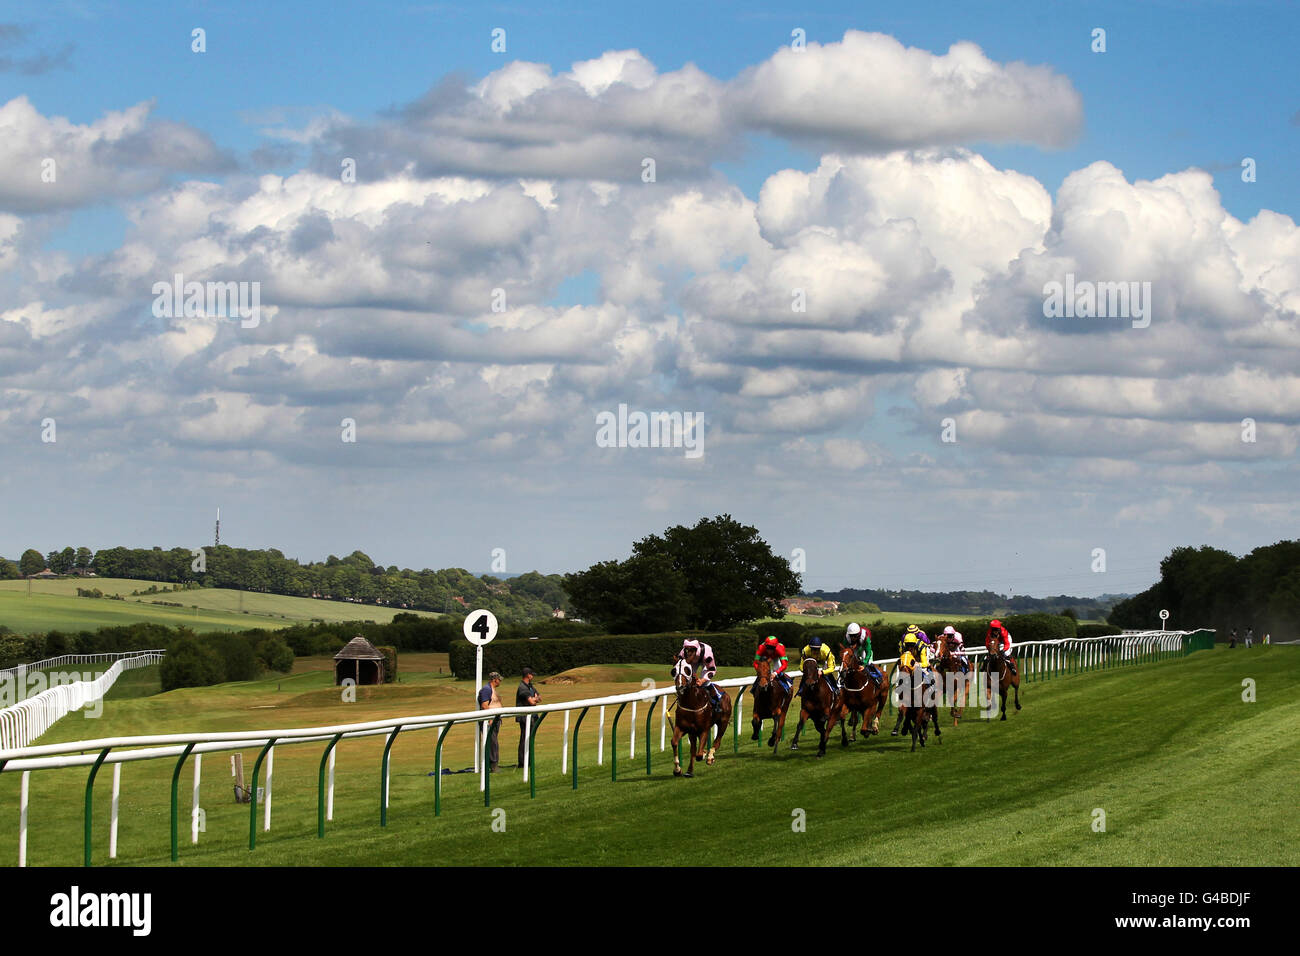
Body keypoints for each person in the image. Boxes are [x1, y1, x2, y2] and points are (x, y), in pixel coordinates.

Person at [677, 638, 724, 714]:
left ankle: (717, 702)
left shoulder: (707, 654)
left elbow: (711, 669)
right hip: (692, 661)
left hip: (705, 662)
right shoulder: (682, 653)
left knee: (706, 683)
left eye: (691, 650)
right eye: (686, 650)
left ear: (696, 649)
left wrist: (702, 680)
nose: (688, 653)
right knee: (688, 681)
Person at [476, 671, 505, 772]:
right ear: (494, 679)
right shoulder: (486, 690)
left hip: (494, 720)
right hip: (489, 721)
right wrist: (490, 719)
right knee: (492, 742)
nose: (500, 681)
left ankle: (494, 763)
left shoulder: (492, 689)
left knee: (494, 742)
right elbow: (484, 705)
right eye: (499, 679)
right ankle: (493, 765)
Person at [515, 667, 541, 768]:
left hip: (532, 716)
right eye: (532, 674)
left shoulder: (530, 686)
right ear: (528, 675)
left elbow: (539, 698)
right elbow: (531, 702)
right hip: (525, 718)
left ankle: (529, 761)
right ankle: (522, 762)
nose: (533, 676)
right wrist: (534, 699)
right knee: (524, 739)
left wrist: (535, 699)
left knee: (530, 738)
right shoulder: (522, 687)